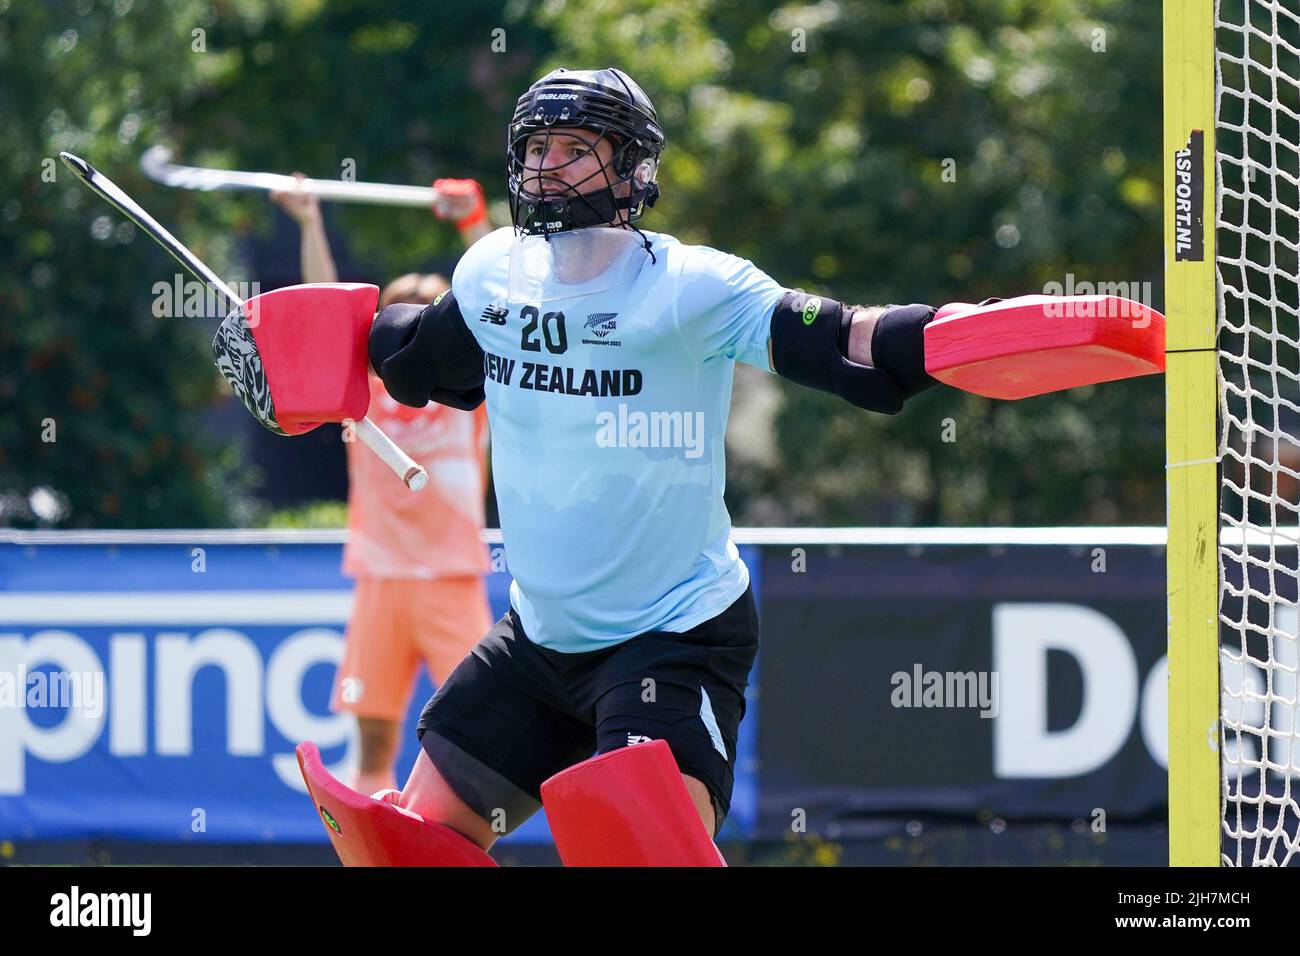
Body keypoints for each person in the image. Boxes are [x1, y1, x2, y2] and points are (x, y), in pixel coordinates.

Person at [367, 67, 944, 856]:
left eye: (575, 147)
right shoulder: (491, 271)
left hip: (672, 638)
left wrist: (955, 336)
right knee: (409, 844)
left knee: (640, 851)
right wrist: (293, 350)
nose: (547, 165)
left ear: (635, 169)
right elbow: (416, 358)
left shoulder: (691, 287)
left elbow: (843, 339)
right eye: (536, 145)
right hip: (538, 642)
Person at [270, 174, 494, 796]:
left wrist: (472, 222)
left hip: (453, 580)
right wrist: (310, 219)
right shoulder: (361, 396)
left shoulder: (473, 395)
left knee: (480, 740)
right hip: (381, 581)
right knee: (372, 746)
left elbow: (510, 304)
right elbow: (321, 308)